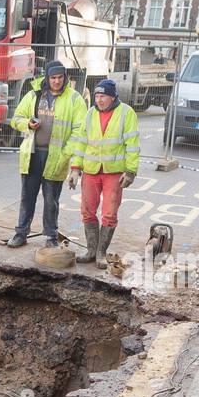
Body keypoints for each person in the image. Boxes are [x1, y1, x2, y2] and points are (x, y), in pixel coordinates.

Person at [5, 60, 87, 248]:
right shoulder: (34, 95)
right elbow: (16, 119)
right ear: (47, 78)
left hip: (56, 157)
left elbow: (79, 131)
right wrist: (28, 124)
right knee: (27, 197)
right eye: (53, 78)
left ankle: (51, 236)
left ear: (65, 78)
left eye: (60, 78)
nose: (56, 81)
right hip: (33, 155)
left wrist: (66, 154)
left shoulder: (74, 99)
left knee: (51, 200)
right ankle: (21, 233)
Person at [68, 79, 140, 268]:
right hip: (91, 171)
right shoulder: (90, 113)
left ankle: (101, 252)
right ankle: (91, 251)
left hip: (113, 173)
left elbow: (132, 145)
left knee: (109, 213)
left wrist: (130, 171)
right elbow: (81, 142)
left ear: (113, 96)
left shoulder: (126, 113)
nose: (99, 100)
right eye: (97, 96)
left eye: (103, 96)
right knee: (87, 211)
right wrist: (75, 169)